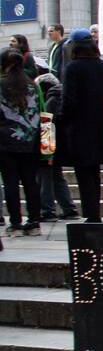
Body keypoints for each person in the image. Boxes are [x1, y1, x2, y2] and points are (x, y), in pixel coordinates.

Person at [54, 29, 103, 224]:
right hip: (99, 125)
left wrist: (60, 118)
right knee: (94, 171)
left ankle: (91, 213)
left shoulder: (73, 67)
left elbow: (69, 99)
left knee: (83, 172)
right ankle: (94, 212)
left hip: (79, 127)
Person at [0, 50, 45, 235]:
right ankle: (34, 221)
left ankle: (16, 223)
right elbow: (43, 111)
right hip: (31, 141)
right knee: (30, 182)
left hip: (5, 141)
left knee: (10, 183)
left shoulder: (1, 85)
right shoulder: (33, 85)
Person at [33, 73, 79, 221]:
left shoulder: (51, 100)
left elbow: (47, 124)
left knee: (45, 177)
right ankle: (68, 208)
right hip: (62, 144)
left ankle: (47, 210)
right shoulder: (63, 96)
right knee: (57, 177)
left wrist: (46, 151)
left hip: (51, 144)